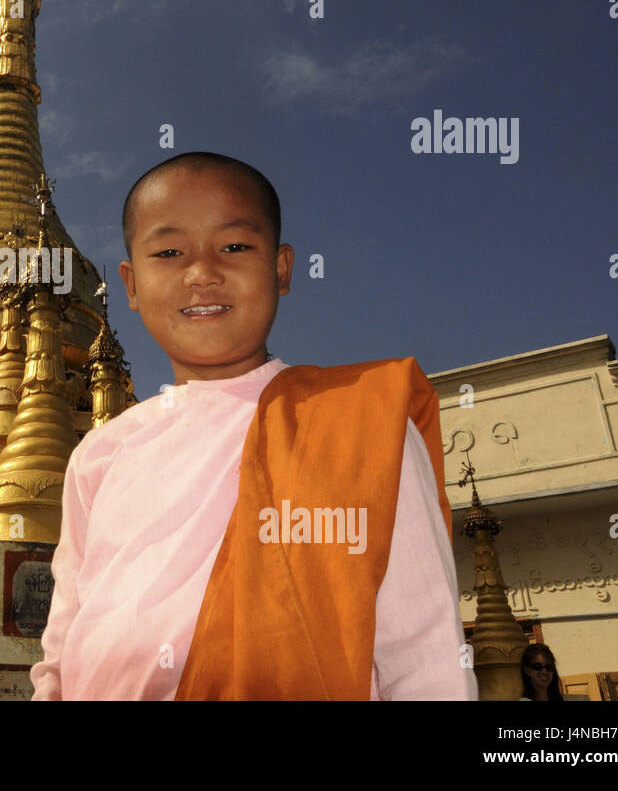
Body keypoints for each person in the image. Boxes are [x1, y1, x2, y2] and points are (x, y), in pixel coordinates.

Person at [29, 151, 477, 700]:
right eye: (168, 252)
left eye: (235, 246)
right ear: (131, 285)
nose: (202, 273)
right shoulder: (99, 454)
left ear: (282, 268)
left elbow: (424, 651)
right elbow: (64, 643)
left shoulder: (361, 421)